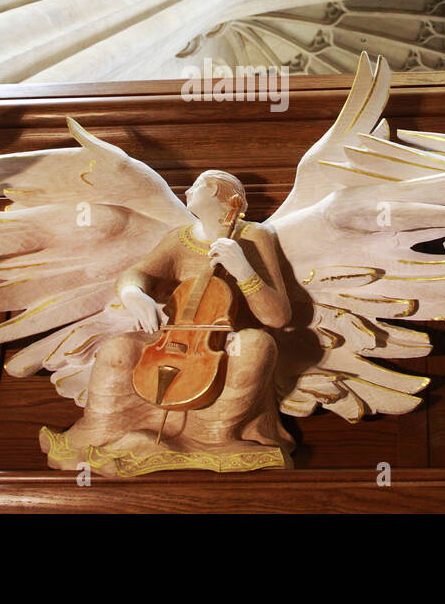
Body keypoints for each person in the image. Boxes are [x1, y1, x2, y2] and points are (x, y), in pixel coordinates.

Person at [44, 170, 295, 473]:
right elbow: (140, 273)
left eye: (198, 186)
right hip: (177, 337)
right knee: (119, 349)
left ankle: (213, 438)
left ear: (225, 198)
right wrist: (134, 293)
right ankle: (101, 430)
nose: (188, 190)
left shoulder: (254, 235)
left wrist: (243, 271)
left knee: (257, 344)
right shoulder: (179, 238)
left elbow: (278, 316)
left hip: (227, 343)